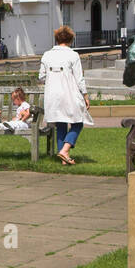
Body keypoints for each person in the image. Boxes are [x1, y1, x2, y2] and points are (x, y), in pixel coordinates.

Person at [39, 25, 93, 165]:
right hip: (69, 93)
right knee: (78, 122)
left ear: (56, 39)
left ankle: (64, 157)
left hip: (52, 94)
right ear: (70, 40)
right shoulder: (73, 55)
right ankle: (65, 149)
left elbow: (41, 76)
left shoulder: (46, 55)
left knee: (60, 123)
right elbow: (79, 78)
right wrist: (85, 96)